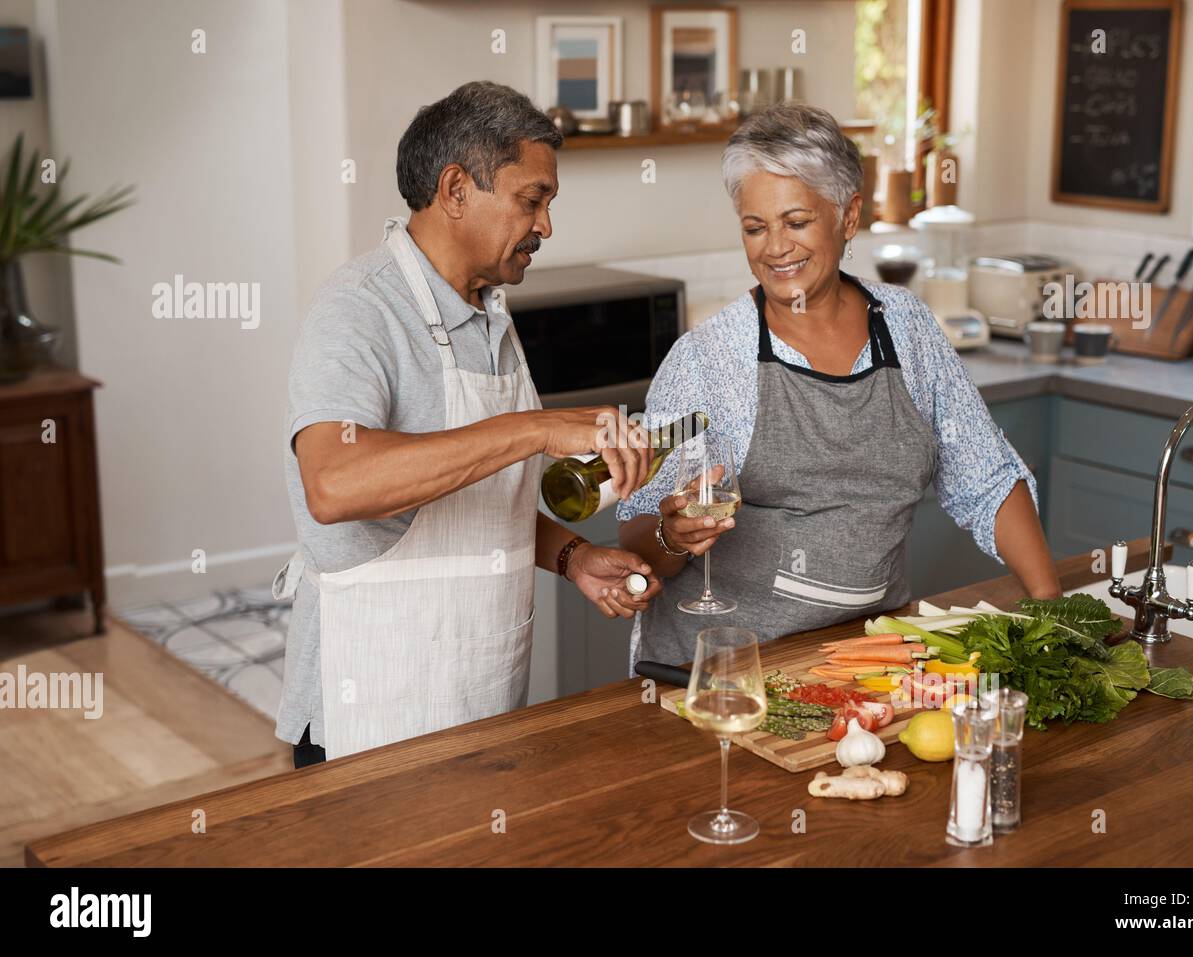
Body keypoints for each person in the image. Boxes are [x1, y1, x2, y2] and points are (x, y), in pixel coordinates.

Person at [274, 81, 660, 766]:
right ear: (455, 189)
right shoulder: (357, 309)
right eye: (531, 199)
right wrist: (535, 430)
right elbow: (334, 484)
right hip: (370, 710)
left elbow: (477, 495)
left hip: (478, 699)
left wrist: (573, 557)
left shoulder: (488, 315)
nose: (545, 225)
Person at [618, 103, 1060, 670]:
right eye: (755, 227)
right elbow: (639, 538)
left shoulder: (906, 328)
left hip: (866, 659)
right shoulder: (709, 359)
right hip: (723, 672)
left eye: (796, 222)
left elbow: (987, 477)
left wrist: (1049, 604)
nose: (775, 248)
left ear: (848, 217)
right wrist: (674, 536)